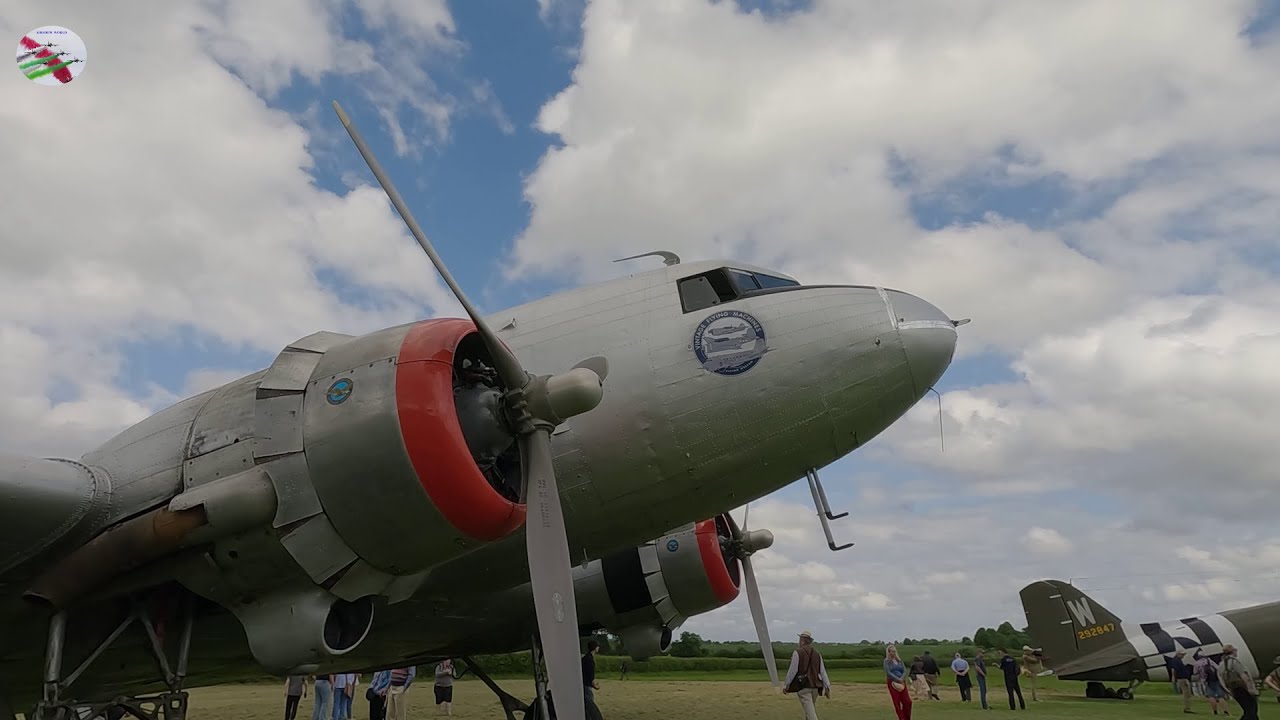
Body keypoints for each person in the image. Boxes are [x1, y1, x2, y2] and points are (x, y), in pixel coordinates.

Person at [783, 630, 831, 720]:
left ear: (802, 640)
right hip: (815, 687)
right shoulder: (817, 654)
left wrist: (786, 685)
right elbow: (823, 672)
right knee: (809, 712)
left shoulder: (797, 652)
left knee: (811, 715)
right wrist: (827, 687)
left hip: (803, 686)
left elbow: (793, 670)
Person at [1221, 644, 1259, 720]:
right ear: (1233, 651)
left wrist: (1228, 690)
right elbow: (1244, 676)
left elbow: (1221, 679)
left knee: (1248, 711)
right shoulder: (1235, 662)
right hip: (1243, 688)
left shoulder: (1221, 664)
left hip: (1234, 689)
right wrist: (1250, 689)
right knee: (1251, 711)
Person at [1194, 651, 1229, 715]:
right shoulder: (1209, 661)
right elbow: (1217, 668)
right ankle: (1225, 710)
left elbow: (1195, 672)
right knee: (1220, 696)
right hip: (1215, 679)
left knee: (1211, 696)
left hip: (1206, 681)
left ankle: (1214, 711)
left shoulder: (1197, 663)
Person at [883, 644, 912, 720]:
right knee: (897, 702)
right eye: (892, 652)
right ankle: (901, 718)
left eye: (894, 652)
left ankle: (907, 717)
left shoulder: (899, 661)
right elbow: (888, 672)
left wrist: (902, 678)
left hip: (902, 682)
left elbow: (904, 670)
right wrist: (896, 679)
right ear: (888, 652)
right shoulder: (886, 662)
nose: (893, 653)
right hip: (892, 682)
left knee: (908, 701)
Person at [583, 640, 602, 712]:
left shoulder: (585, 658)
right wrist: (595, 685)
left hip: (584, 685)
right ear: (595, 648)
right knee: (589, 707)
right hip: (587, 686)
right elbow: (590, 675)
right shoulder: (589, 660)